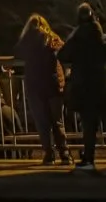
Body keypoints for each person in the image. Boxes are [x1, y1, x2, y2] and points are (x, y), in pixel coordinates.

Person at [60, 3, 106, 171]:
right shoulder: (103, 38)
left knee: (89, 126)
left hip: (84, 86)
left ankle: (89, 159)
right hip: (102, 84)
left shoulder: (76, 39)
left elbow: (62, 54)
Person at [15, 13, 69, 166]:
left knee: (42, 122)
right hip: (53, 84)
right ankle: (64, 153)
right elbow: (64, 51)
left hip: (35, 85)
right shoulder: (52, 38)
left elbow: (17, 52)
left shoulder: (26, 40)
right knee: (57, 121)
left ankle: (49, 154)